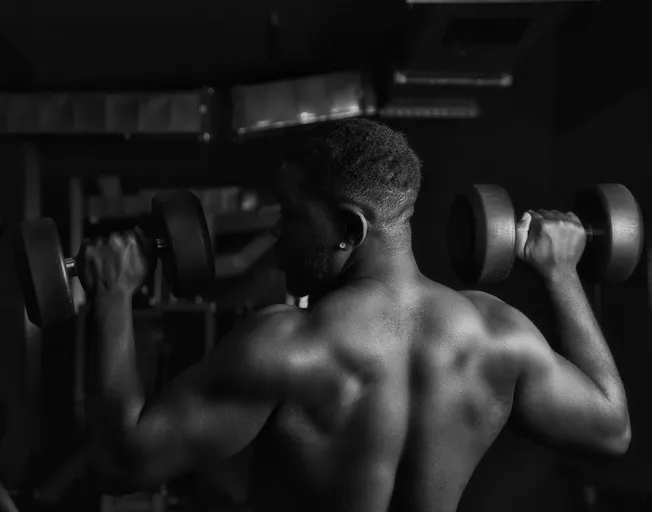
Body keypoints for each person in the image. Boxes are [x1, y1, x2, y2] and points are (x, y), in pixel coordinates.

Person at [80, 119, 631, 512]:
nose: (276, 232)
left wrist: (110, 295)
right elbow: (612, 429)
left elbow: (124, 461)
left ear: (349, 229)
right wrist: (562, 273)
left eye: (291, 215)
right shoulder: (497, 334)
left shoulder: (286, 347)